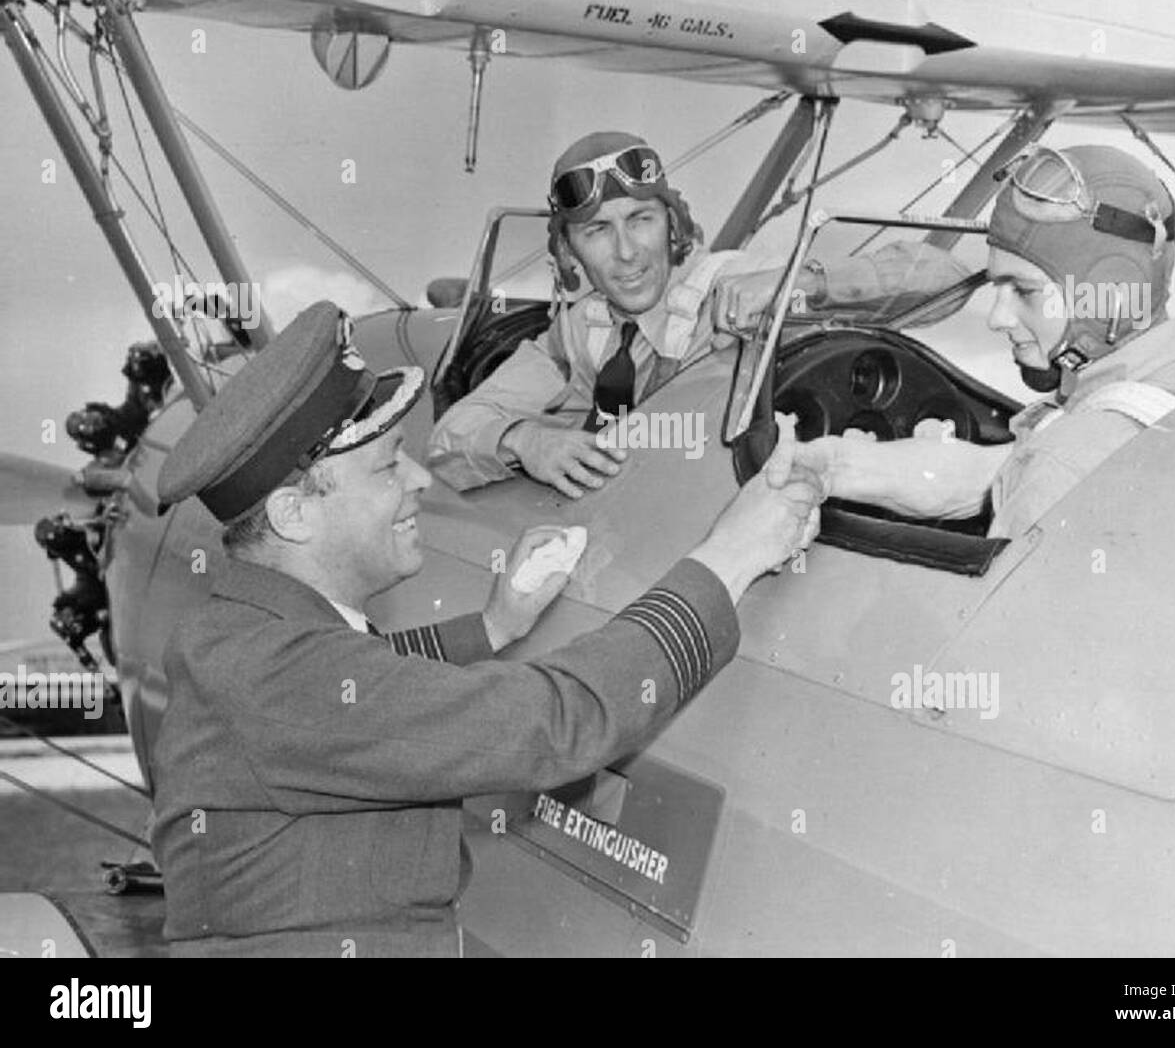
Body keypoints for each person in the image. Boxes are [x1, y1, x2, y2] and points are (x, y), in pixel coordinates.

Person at [149, 300, 823, 957]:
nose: (418, 480)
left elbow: (367, 682)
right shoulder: (283, 678)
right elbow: (553, 726)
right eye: (388, 468)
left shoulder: (246, 635)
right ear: (295, 513)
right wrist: (729, 557)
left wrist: (493, 629)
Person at [426, 130, 969, 497]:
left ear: (674, 224)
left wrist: (805, 283)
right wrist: (524, 440)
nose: (626, 252)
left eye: (641, 219)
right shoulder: (577, 333)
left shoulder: (734, 287)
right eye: (597, 231)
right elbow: (451, 437)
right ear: (568, 251)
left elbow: (946, 280)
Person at [783, 145, 1175, 538]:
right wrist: (836, 466)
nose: (998, 318)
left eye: (1023, 290)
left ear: (1112, 293)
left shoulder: (1066, 468)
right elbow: (1002, 471)